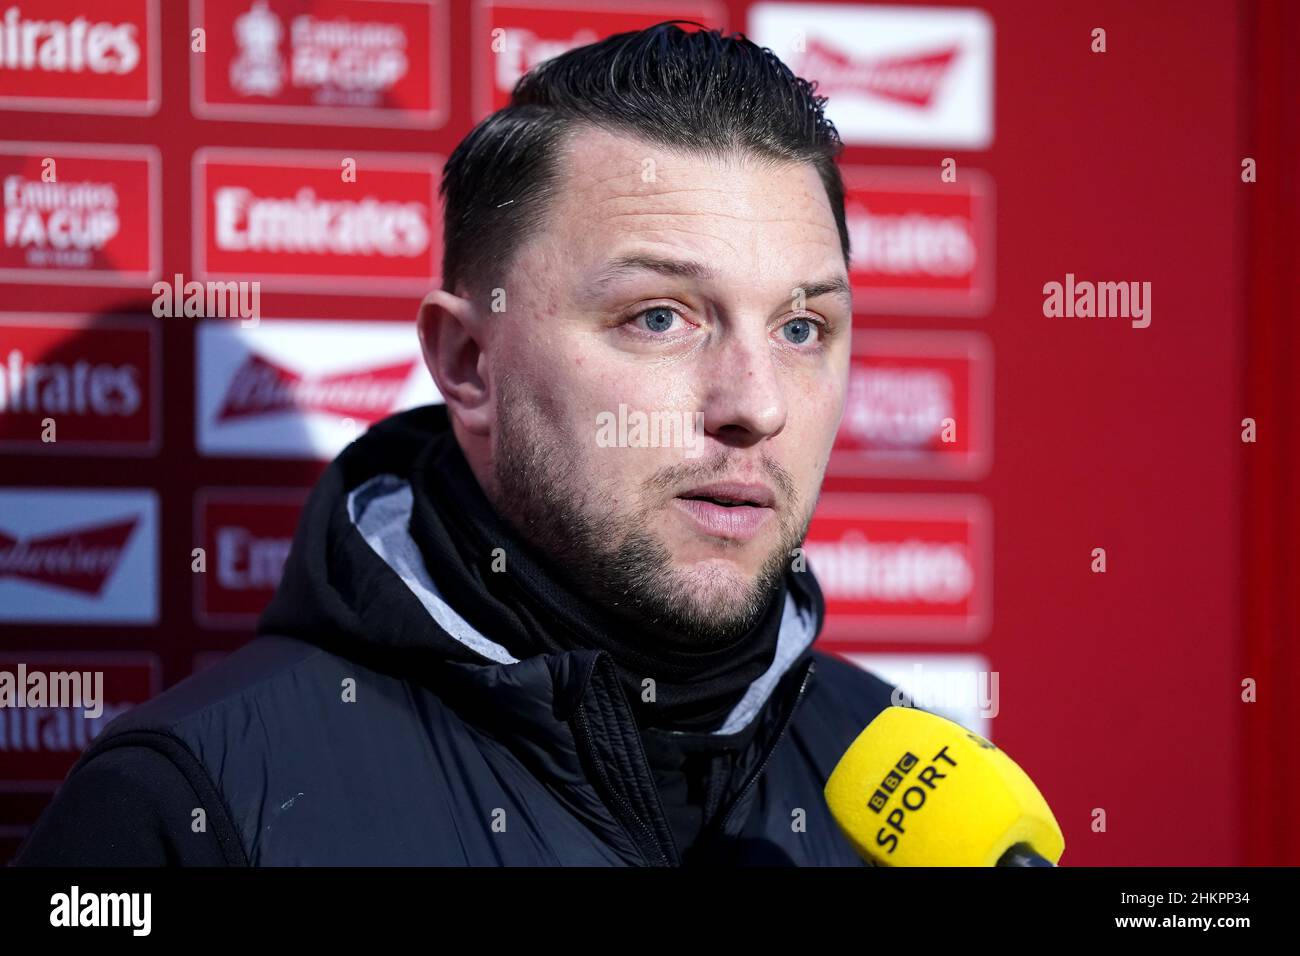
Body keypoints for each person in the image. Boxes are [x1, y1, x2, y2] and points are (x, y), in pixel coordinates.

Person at [13, 21, 896, 867]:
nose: (756, 405)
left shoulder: (917, 792)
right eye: (659, 317)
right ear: (470, 363)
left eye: (803, 327)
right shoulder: (185, 808)